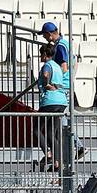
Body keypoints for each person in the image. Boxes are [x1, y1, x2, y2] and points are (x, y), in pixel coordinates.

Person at [35, 42, 69, 172]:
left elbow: (45, 75)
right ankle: (57, 162)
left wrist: (45, 83)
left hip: (50, 101)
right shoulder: (57, 66)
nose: (40, 57)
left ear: (44, 54)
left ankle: (48, 153)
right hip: (61, 101)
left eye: (40, 54)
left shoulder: (47, 65)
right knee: (51, 132)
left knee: (36, 129)